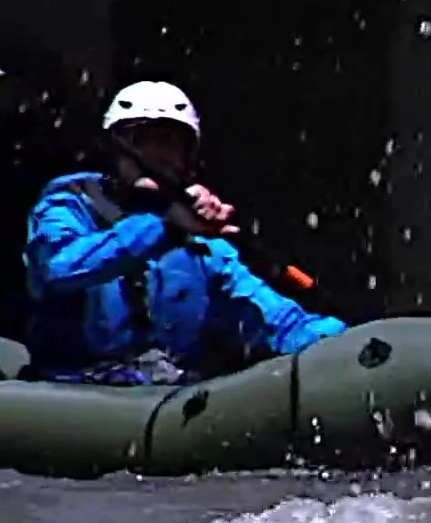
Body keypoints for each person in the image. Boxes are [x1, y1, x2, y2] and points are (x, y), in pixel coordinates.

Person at [24, 81, 340, 384]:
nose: (161, 154)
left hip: (155, 398)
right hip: (70, 388)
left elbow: (275, 320)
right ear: (117, 151)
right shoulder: (69, 206)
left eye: (173, 142)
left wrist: (346, 344)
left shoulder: (200, 241)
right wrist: (162, 226)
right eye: (145, 139)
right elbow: (58, 269)